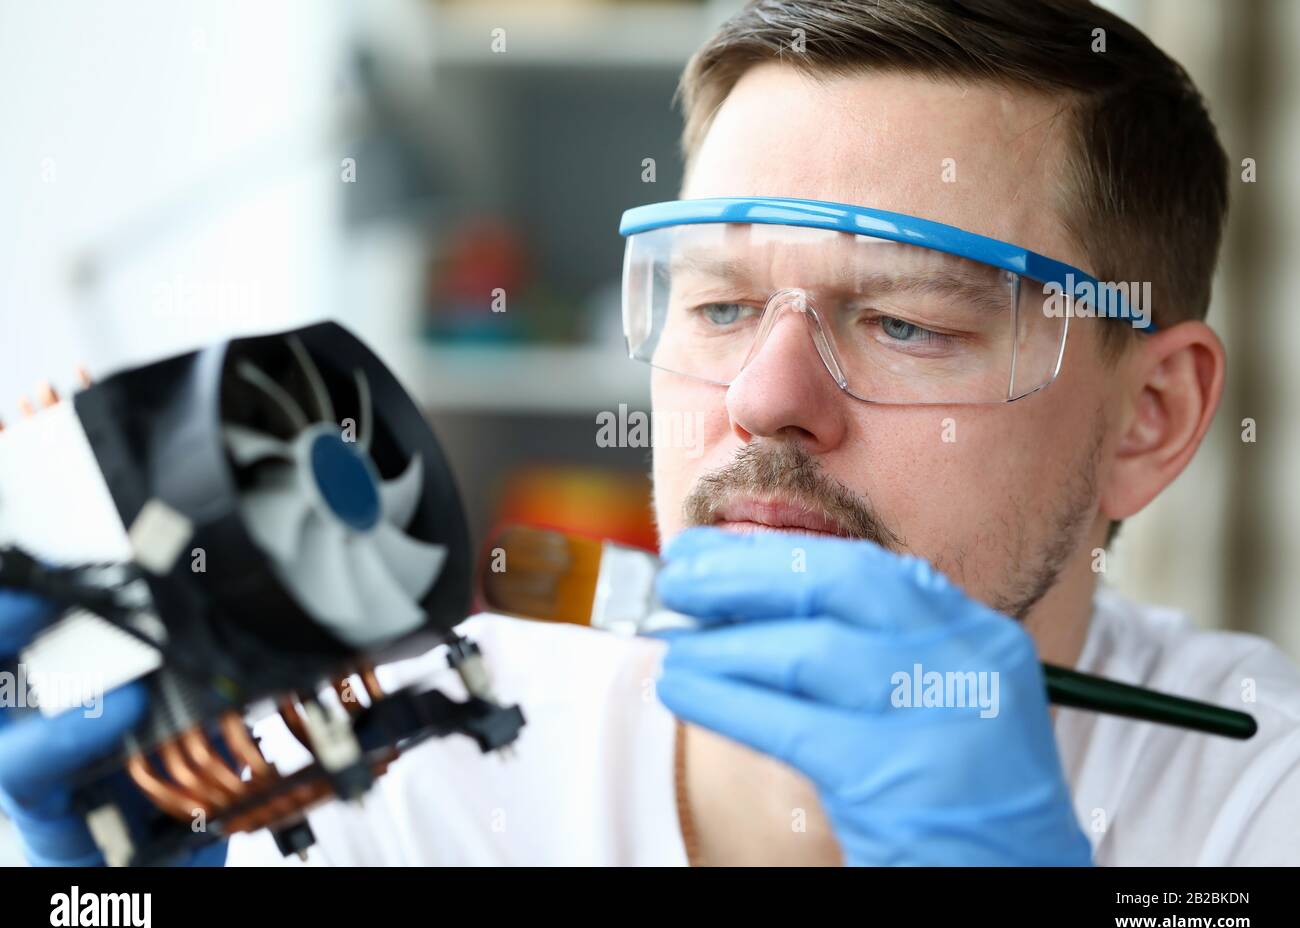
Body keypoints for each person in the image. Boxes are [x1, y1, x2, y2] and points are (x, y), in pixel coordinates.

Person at [3, 0, 1299, 867]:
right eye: (722, 304)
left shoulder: (1256, 804)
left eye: (909, 322)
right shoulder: (410, 774)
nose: (762, 398)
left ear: (1152, 416)